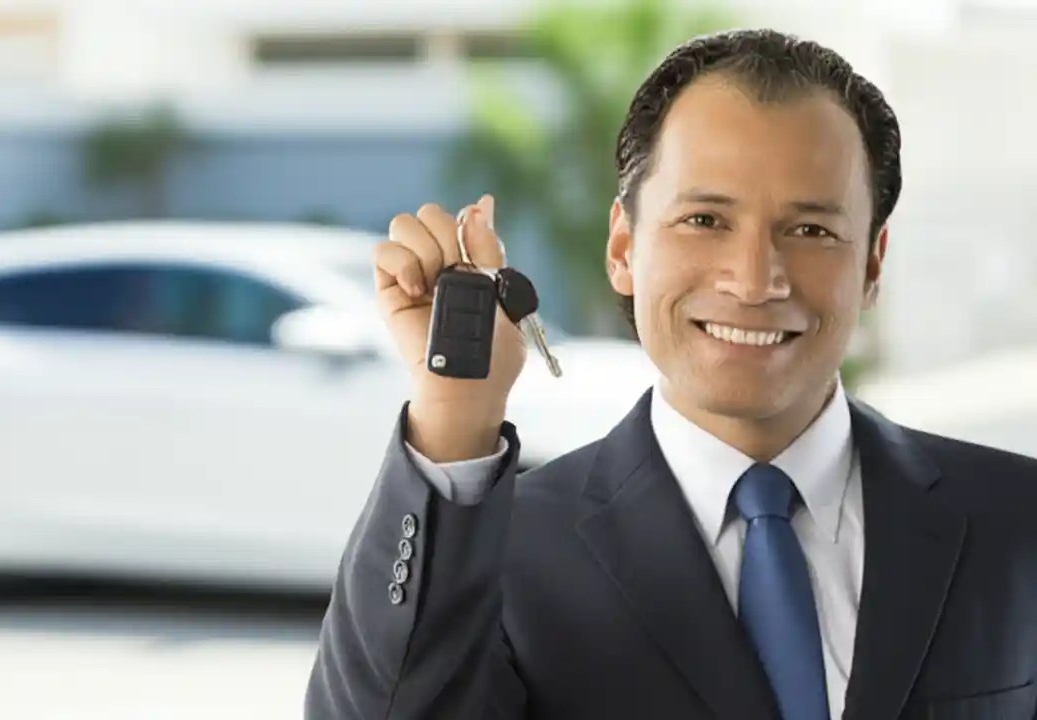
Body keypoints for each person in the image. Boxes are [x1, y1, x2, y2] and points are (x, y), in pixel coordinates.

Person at [305, 28, 1037, 720]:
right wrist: (454, 415)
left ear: (872, 265)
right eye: (705, 221)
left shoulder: (1018, 523)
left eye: (810, 230)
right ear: (623, 247)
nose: (755, 280)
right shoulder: (500, 553)